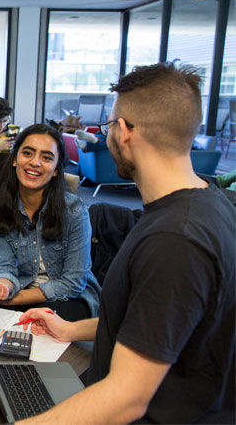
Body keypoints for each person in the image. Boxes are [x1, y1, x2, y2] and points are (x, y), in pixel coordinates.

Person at [17, 63, 235, 424]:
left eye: (109, 125)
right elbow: (159, 323)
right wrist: (70, 328)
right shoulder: (209, 204)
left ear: (125, 131)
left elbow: (126, 399)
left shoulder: (174, 241)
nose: (108, 135)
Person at [0, 124, 101, 321]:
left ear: (56, 170)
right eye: (28, 153)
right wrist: (2, 287)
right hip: (24, 287)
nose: (35, 162)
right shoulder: (2, 206)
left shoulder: (74, 210)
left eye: (47, 157)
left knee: (43, 321)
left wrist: (14, 300)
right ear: (15, 159)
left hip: (71, 297)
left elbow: (73, 283)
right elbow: (4, 266)